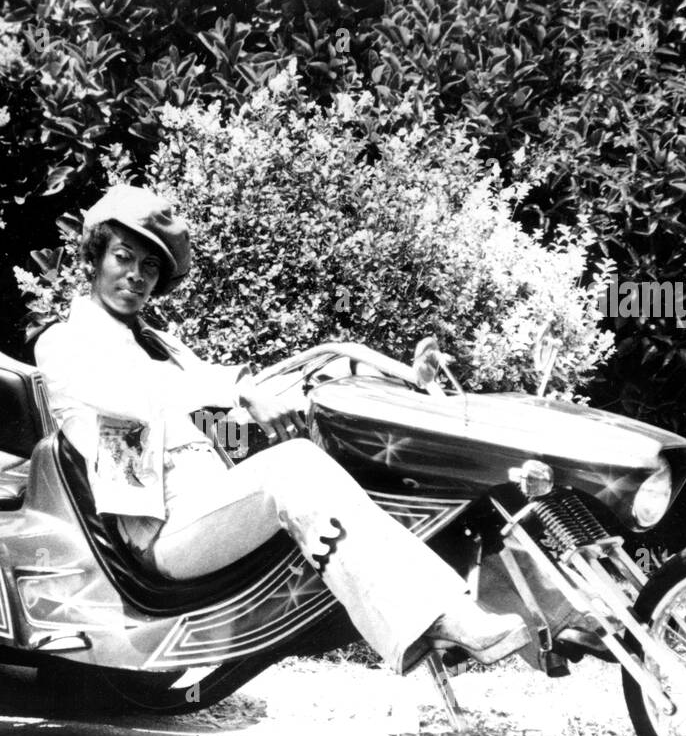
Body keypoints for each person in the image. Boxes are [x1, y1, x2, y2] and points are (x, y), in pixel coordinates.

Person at [31, 184, 530, 673]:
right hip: (157, 530)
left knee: (322, 444)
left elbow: (220, 412)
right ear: (95, 258)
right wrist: (241, 391)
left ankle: (448, 608)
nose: (136, 275)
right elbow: (144, 401)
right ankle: (438, 615)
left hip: (212, 505)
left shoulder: (161, 344)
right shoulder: (65, 342)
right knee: (293, 467)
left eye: (151, 266)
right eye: (124, 257)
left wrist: (395, 376)